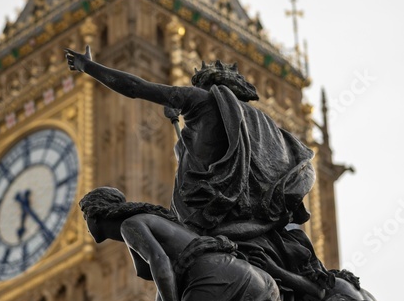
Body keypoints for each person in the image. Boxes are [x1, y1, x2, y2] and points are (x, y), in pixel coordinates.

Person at [65, 49, 316, 241]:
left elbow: (134, 87)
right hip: (257, 221)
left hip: (206, 218)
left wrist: (87, 65)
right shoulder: (267, 127)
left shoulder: (200, 100)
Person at [78, 186, 280, 301]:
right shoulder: (146, 222)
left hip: (217, 279)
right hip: (251, 278)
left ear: (94, 214)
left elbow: (160, 261)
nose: (86, 226)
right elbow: (155, 271)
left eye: (85, 216)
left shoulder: (130, 226)